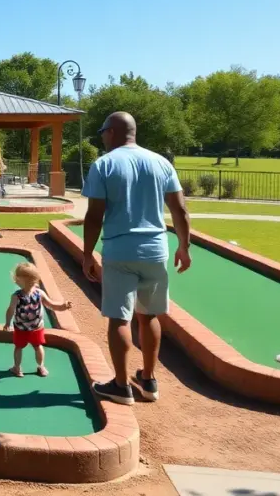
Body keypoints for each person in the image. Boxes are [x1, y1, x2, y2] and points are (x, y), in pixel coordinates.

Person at [82, 112, 192, 405]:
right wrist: (184, 247)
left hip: (119, 251)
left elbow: (94, 216)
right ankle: (149, 380)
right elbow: (180, 210)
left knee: (119, 318)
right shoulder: (161, 163)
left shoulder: (104, 164)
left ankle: (121, 386)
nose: (102, 137)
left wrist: (87, 254)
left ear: (112, 132)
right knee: (149, 316)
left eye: (103, 132)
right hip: (155, 250)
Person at [3, 262, 72, 377]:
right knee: (38, 346)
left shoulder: (16, 296)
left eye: (17, 278)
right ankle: (41, 367)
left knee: (18, 347)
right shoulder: (39, 293)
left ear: (20, 281)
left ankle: (17, 368)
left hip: (21, 328)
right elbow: (52, 305)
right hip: (37, 327)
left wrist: (7, 323)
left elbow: (10, 310)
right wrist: (63, 306)